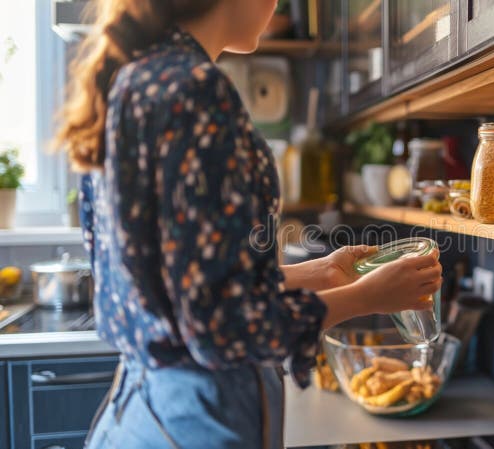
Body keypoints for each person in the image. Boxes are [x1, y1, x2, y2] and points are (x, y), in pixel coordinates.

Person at [54, 1, 442, 448]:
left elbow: (192, 288)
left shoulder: (140, 79)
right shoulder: (194, 90)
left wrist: (322, 274)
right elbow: (222, 326)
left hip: (146, 412)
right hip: (197, 420)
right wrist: (367, 296)